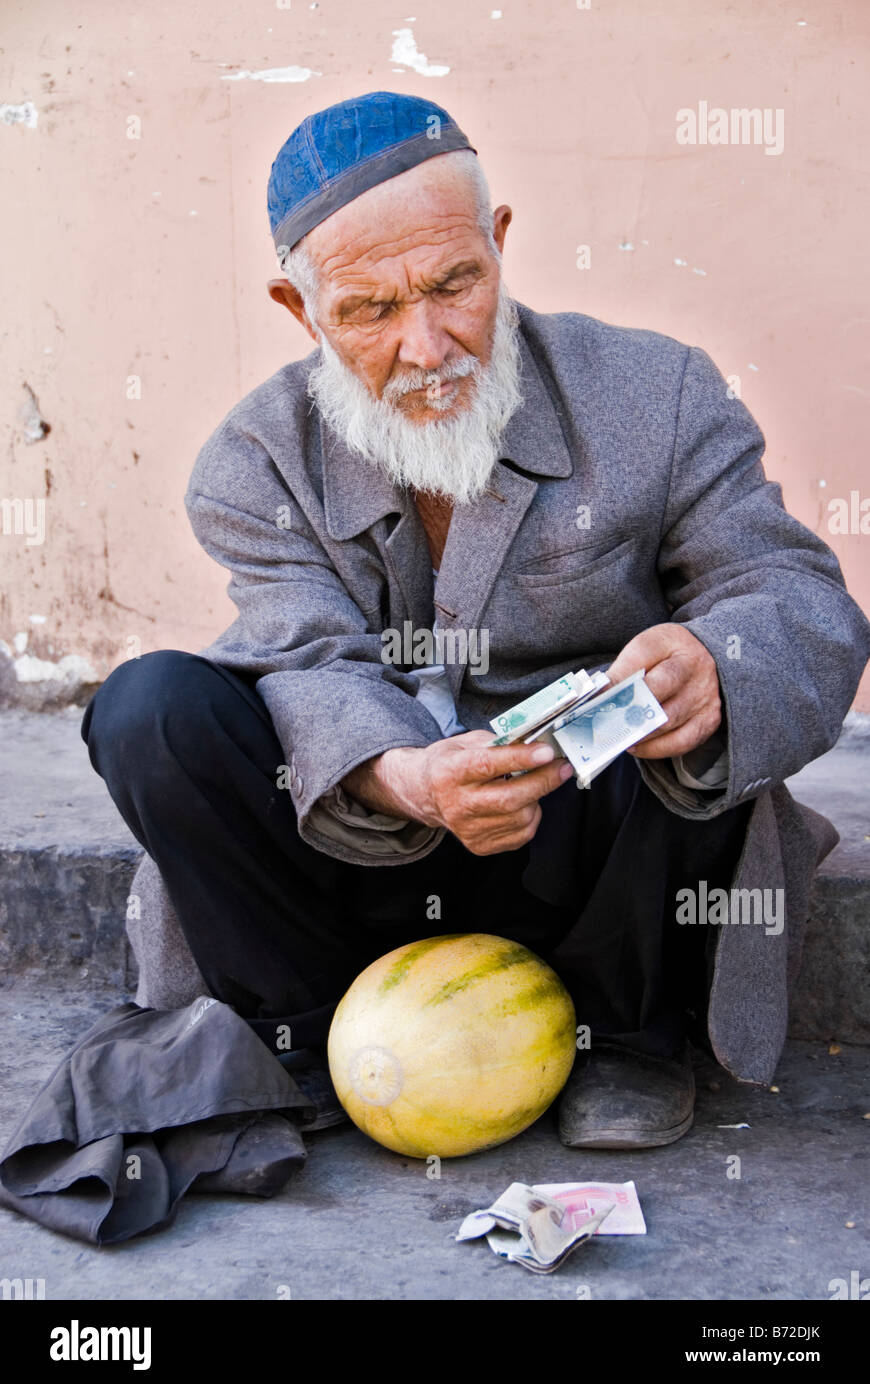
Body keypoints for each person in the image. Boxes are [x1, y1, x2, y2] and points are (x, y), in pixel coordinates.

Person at [82, 91, 870, 1150]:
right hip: (369, 846)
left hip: (586, 852)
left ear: (498, 245)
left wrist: (713, 668)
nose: (427, 343)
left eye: (456, 283)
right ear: (297, 310)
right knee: (149, 708)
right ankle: (299, 1033)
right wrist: (401, 777)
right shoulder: (253, 460)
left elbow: (799, 598)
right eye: (368, 310)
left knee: (692, 700)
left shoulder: (658, 394)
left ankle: (627, 1036)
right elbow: (305, 656)